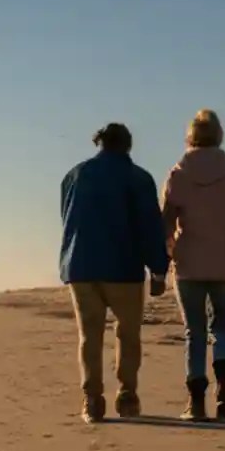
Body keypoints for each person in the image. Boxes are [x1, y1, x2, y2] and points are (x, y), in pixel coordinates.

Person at [60, 123, 169, 423]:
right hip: (123, 267)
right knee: (128, 334)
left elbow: (66, 220)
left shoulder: (74, 176)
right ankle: (127, 395)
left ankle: (92, 400)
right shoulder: (138, 178)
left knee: (89, 336)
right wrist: (159, 270)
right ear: (128, 146)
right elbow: (150, 227)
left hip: (80, 266)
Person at [162, 109, 225, 421]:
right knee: (221, 327)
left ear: (190, 137)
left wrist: (174, 250)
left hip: (189, 263)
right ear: (219, 136)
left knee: (194, 330)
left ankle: (196, 403)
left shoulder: (178, 175)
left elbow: (165, 226)